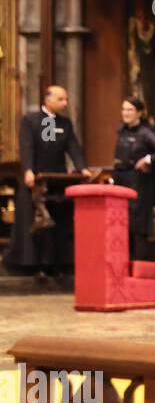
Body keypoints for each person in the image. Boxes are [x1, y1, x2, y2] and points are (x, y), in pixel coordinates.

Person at [2, 85, 92, 281]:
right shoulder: (31, 121)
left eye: (66, 99)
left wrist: (82, 168)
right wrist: (28, 170)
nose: (65, 103)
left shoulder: (65, 123)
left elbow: (73, 147)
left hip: (57, 180)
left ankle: (57, 263)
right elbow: (27, 146)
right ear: (48, 100)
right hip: (35, 180)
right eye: (61, 99)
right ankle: (31, 264)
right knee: (35, 221)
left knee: (60, 222)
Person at [112, 98, 155, 260]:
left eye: (130, 110)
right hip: (121, 180)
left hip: (138, 182)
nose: (126, 113)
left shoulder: (145, 132)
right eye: (124, 109)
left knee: (138, 225)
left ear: (139, 112)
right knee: (123, 224)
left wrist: (148, 159)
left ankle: (138, 264)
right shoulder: (122, 130)